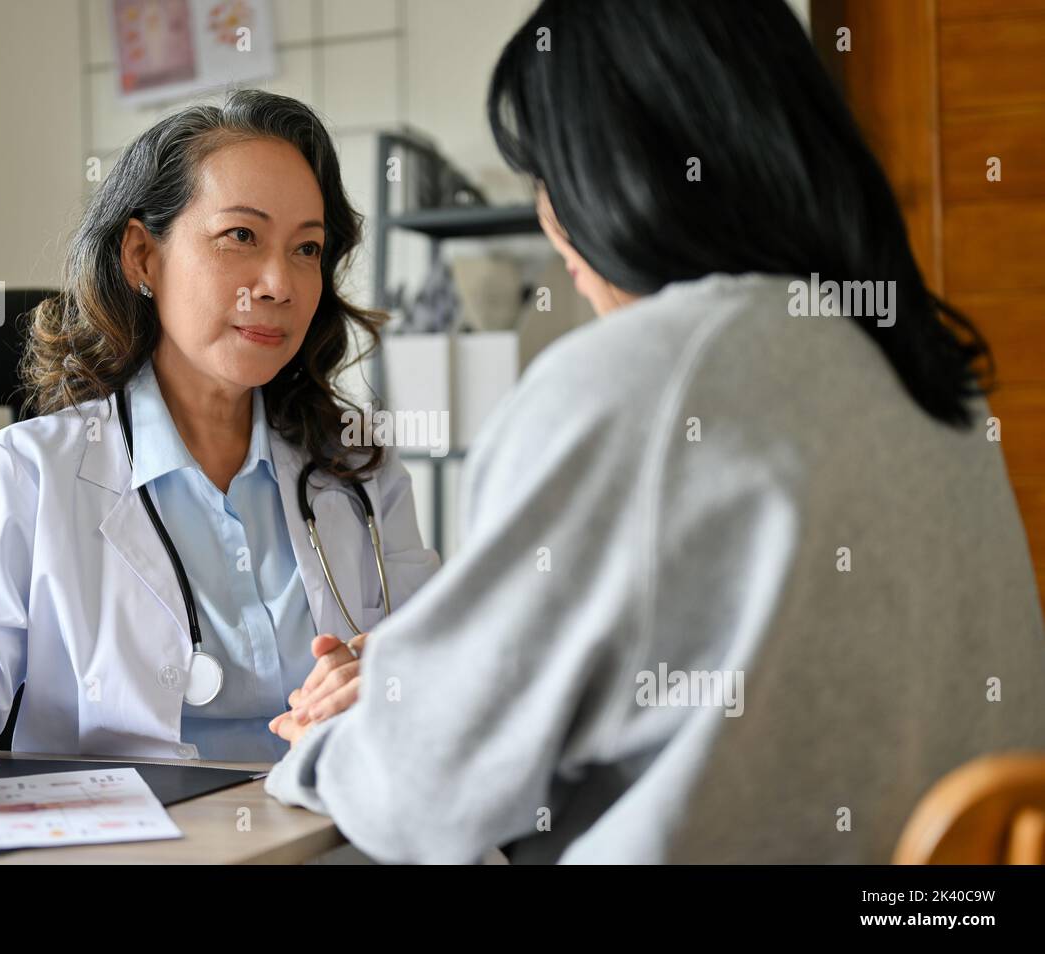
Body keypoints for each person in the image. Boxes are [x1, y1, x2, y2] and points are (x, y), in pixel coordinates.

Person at [263, 0, 1045, 863]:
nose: (547, 218)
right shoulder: (932, 376)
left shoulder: (646, 376)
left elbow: (421, 799)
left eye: (547, 173)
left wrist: (328, 743)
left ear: (616, 173)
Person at [0, 90, 438, 811]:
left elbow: (450, 665)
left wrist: (393, 679)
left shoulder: (358, 472)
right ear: (144, 255)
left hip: (334, 833)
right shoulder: (37, 475)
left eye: (307, 248)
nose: (280, 284)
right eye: (242, 236)